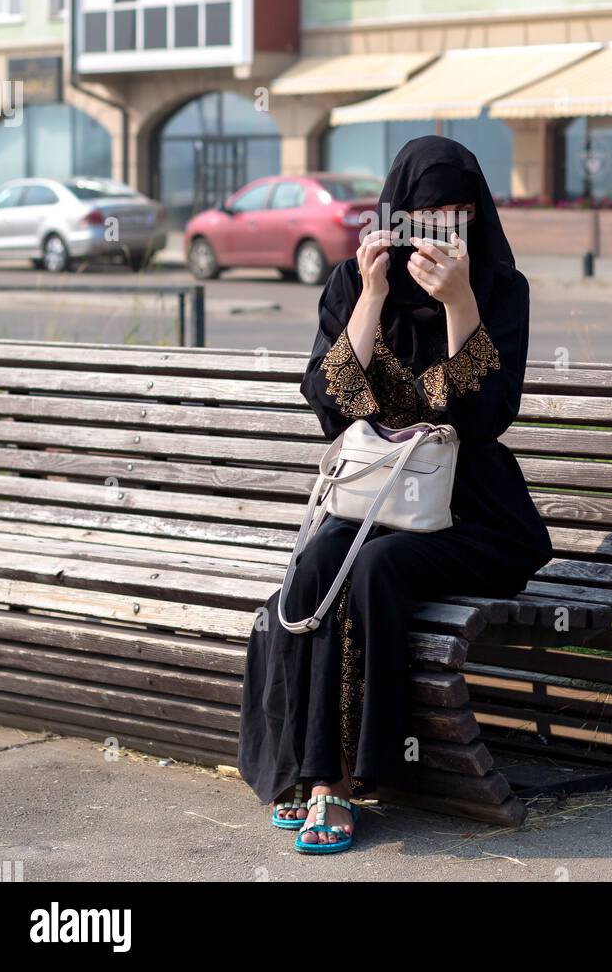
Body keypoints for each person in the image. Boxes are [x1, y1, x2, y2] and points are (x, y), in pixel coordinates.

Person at [236, 136, 554, 852]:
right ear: (397, 215)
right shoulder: (355, 283)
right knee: (316, 569)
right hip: (375, 504)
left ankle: (346, 783)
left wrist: (460, 305)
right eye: (428, 212)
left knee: (377, 571)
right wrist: (373, 296)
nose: (445, 227)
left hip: (475, 516)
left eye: (459, 213)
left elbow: (484, 419)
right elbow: (330, 403)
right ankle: (310, 773)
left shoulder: (501, 287)